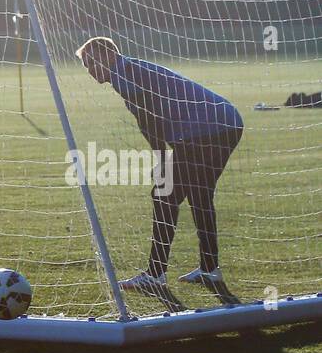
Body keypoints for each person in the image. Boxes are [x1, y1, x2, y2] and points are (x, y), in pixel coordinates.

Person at [76, 36, 243, 296]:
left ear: (108, 55)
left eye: (91, 63)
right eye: (86, 66)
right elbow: (153, 117)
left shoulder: (125, 74)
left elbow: (150, 117)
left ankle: (155, 275)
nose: (89, 71)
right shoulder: (130, 69)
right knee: (199, 195)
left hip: (205, 130)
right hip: (226, 121)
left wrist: (161, 159)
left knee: (164, 195)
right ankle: (209, 268)